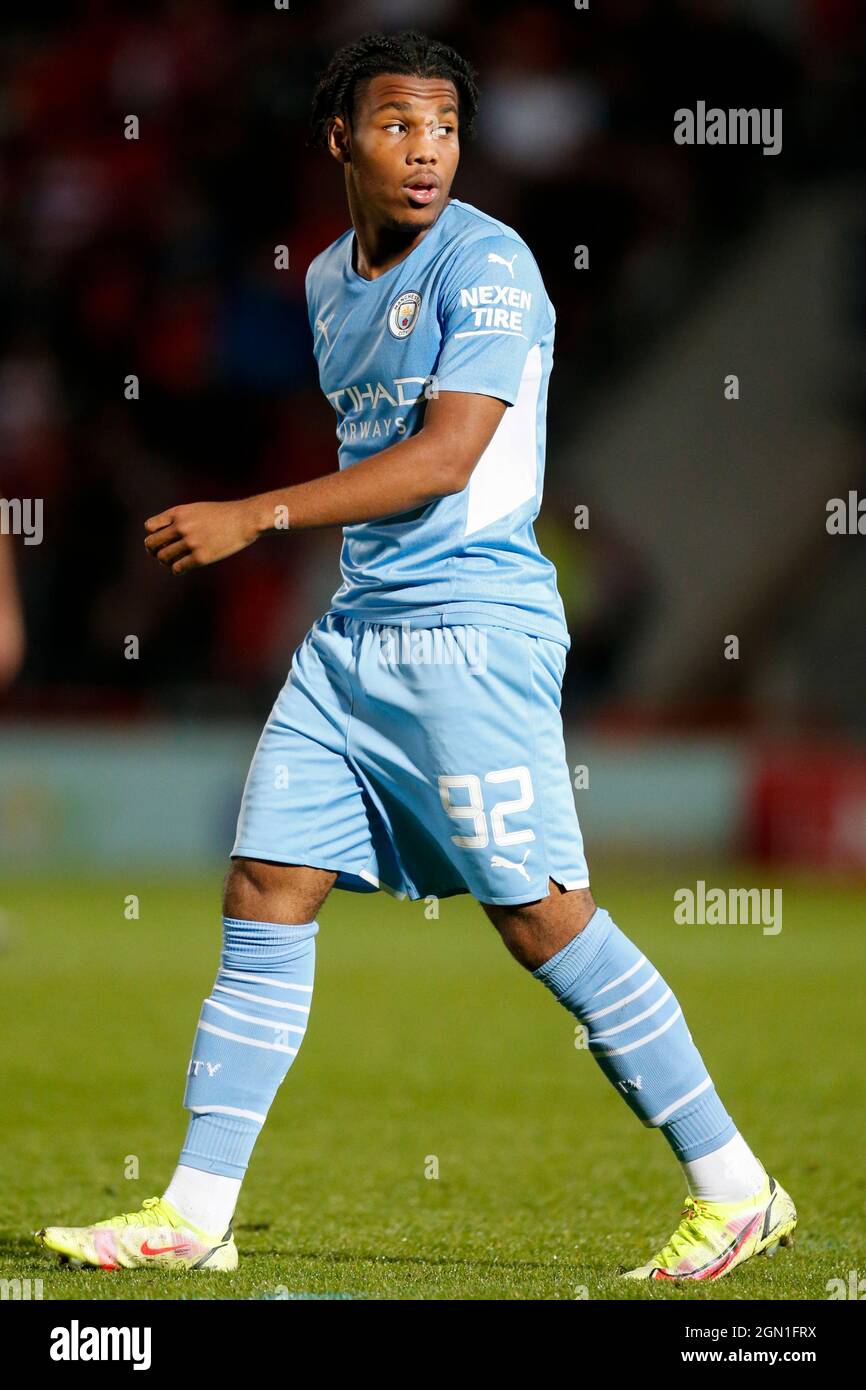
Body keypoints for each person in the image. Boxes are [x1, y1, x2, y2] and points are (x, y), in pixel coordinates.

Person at [36, 30, 795, 1282]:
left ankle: (734, 1186)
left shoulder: (489, 265)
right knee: (268, 885)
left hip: (470, 632)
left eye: (442, 127)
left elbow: (445, 456)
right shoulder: (330, 276)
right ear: (340, 139)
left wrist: (254, 514)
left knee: (541, 918)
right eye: (396, 124)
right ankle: (193, 1211)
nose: (425, 148)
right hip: (356, 637)